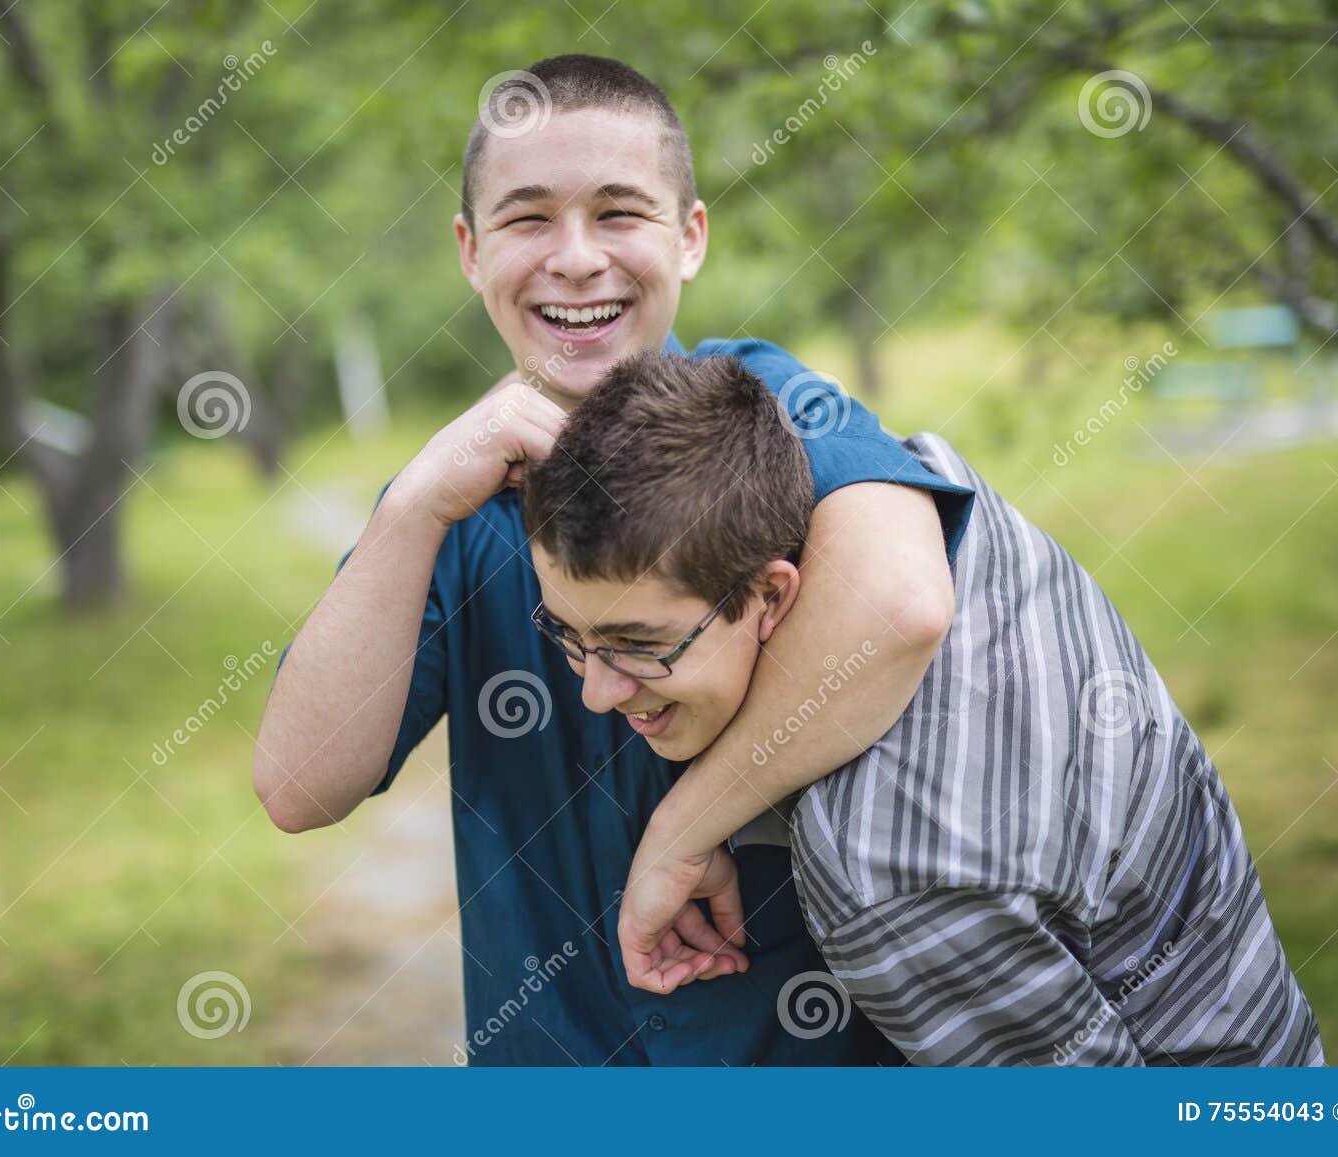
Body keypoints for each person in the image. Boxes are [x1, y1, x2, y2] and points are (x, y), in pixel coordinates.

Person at [254, 53, 975, 1064]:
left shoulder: (765, 415)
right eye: (528, 217)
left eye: (619, 212)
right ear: (469, 250)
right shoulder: (452, 507)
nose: (577, 257)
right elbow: (298, 784)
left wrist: (680, 834)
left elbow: (901, 602)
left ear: (689, 238)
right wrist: (413, 503)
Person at [523, 349, 1325, 1066]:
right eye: (567, 633)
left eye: (639, 643)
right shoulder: (922, 493)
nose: (597, 689)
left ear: (772, 593)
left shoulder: (888, 871)